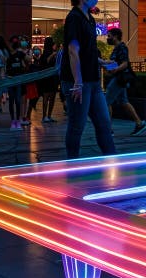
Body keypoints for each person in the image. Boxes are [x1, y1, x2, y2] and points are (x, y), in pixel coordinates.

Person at [61, 0, 117, 159]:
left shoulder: (89, 18)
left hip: (92, 80)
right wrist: (77, 81)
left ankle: (112, 161)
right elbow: (73, 50)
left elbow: (88, 50)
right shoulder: (74, 17)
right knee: (77, 126)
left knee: (104, 124)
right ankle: (73, 165)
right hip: (79, 82)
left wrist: (101, 62)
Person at [104, 28, 146, 136]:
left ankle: (108, 130)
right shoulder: (116, 48)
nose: (107, 38)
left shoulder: (122, 47)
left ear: (115, 36)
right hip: (120, 78)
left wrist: (115, 69)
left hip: (119, 79)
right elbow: (116, 62)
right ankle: (139, 123)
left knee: (106, 102)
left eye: (109, 36)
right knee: (123, 101)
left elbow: (125, 63)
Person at [5, 36, 28, 130]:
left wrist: (24, 54)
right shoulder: (7, 55)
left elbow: (29, 59)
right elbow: (4, 67)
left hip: (18, 80)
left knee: (18, 101)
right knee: (11, 101)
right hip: (10, 81)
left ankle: (18, 121)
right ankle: (12, 121)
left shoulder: (20, 53)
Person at [38, 36, 59, 123]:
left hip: (53, 78)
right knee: (46, 97)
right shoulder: (45, 54)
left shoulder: (53, 53)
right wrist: (53, 55)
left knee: (52, 97)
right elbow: (46, 61)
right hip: (47, 78)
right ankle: (44, 116)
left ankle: (49, 115)